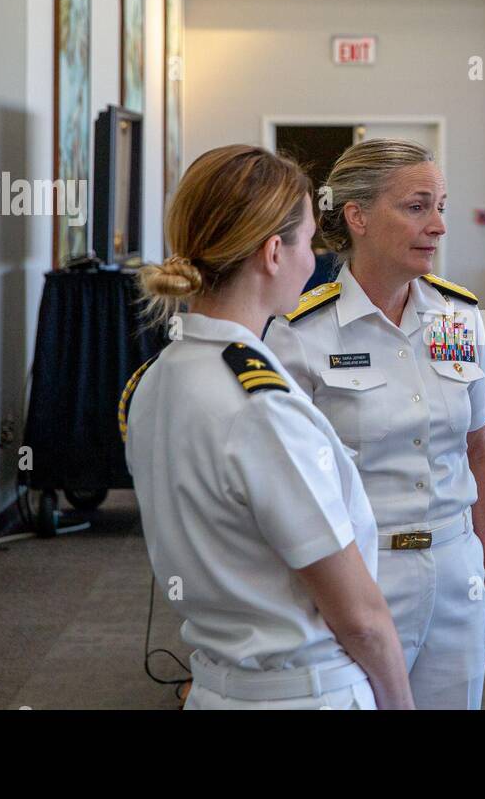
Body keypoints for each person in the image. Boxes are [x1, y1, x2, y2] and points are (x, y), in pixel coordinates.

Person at [122, 144, 413, 710]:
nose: (316, 258)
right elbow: (361, 619)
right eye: (308, 240)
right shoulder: (262, 407)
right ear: (274, 252)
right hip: (305, 693)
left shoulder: (156, 379)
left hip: (217, 686)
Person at [265, 139, 485, 710]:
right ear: (356, 216)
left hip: (458, 571)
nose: (438, 225)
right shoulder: (300, 334)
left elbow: (478, 453)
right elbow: (288, 485)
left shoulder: (459, 318)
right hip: (360, 574)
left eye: (442, 206)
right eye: (416, 206)